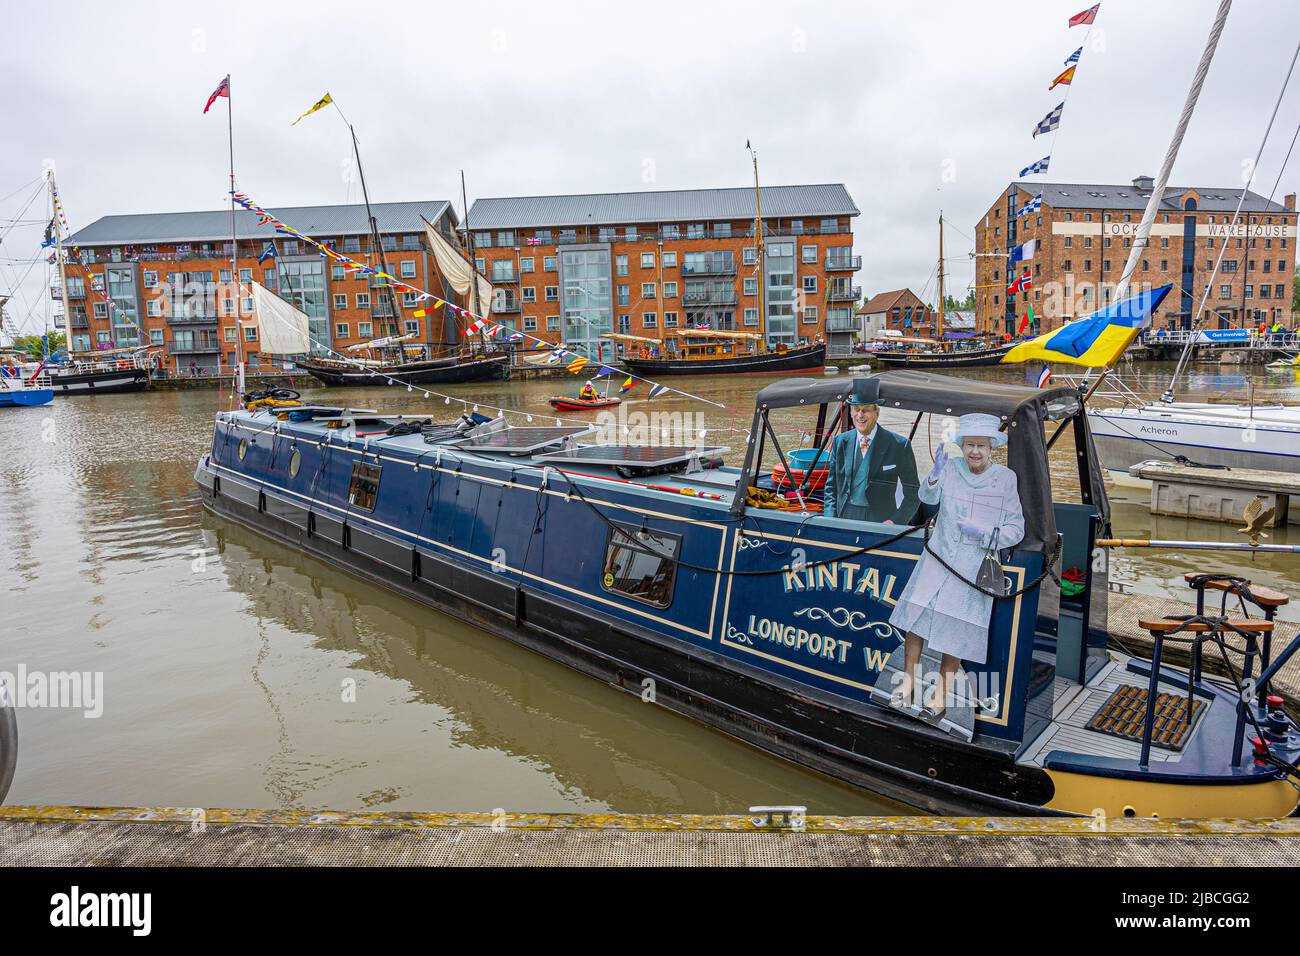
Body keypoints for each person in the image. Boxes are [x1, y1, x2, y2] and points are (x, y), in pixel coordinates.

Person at [888, 413, 1025, 721]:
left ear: (991, 447)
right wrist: (934, 473)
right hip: (938, 558)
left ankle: (940, 695)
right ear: (962, 446)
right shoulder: (950, 468)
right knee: (916, 619)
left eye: (981, 445)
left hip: (972, 566)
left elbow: (1016, 530)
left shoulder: (1005, 479)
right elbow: (926, 497)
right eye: (969, 444)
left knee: (956, 631)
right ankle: (908, 682)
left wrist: (985, 534)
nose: (975, 451)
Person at [822, 378, 919, 525]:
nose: (860, 415)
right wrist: (830, 519)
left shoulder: (899, 445)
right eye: (856, 409)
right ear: (851, 413)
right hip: (844, 516)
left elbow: (913, 493)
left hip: (880, 521)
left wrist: (895, 521)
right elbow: (831, 488)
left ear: (876, 413)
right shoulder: (840, 442)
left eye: (866, 409)